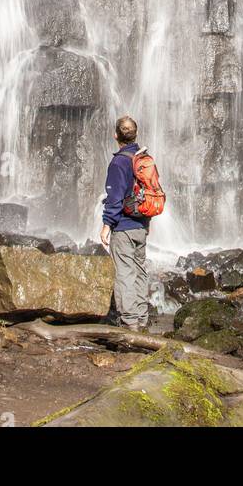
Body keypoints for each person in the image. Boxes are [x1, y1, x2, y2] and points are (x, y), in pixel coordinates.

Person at [100, 115, 149, 330]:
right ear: (135, 135)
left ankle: (130, 324)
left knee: (125, 273)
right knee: (139, 271)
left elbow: (115, 197)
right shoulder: (144, 159)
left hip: (124, 228)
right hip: (141, 226)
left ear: (115, 136)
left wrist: (106, 224)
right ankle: (142, 318)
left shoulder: (119, 162)